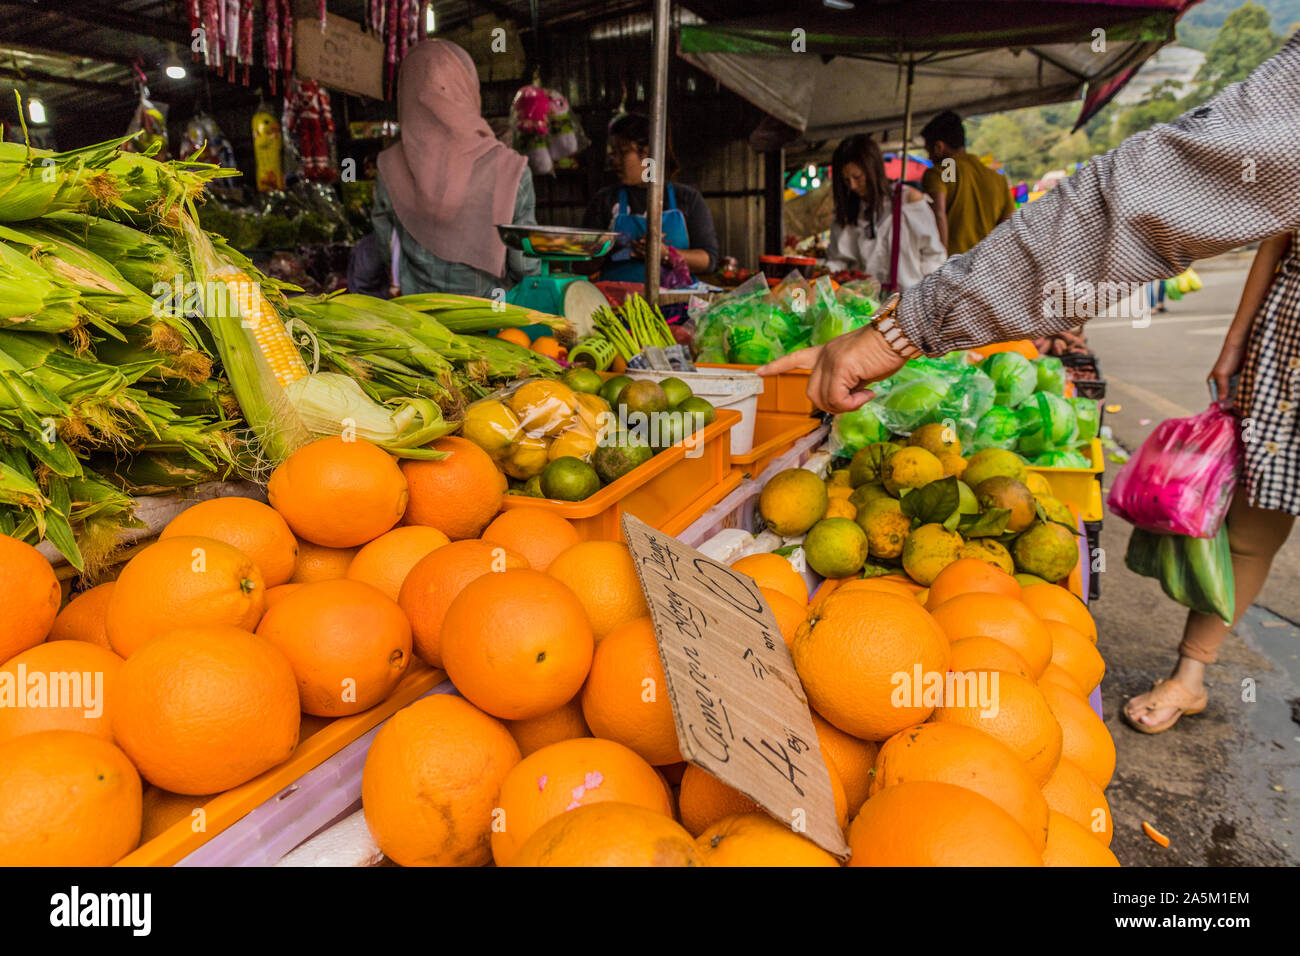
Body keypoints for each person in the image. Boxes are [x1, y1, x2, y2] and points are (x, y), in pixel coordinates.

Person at [759, 32, 1300, 415]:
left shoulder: (932, 185)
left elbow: (1137, 205)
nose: (851, 187)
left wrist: (902, 327)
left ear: (938, 147)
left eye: (855, 178)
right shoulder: (992, 182)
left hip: (961, 295)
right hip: (973, 294)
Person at [1124, 231, 1298, 732]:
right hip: (1288, 340)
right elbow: (1277, 238)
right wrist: (1236, 342)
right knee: (1251, 528)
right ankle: (1190, 674)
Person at [370, 39, 539, 298]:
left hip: (416, 323)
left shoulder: (388, 167)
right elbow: (524, 266)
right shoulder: (510, 169)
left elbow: (390, 256)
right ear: (468, 90)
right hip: (493, 324)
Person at [582, 112, 719, 283]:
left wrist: (664, 254)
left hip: (674, 304)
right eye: (613, 153)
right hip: (615, 304)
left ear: (648, 153)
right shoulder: (605, 201)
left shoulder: (687, 198)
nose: (614, 161)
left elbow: (708, 261)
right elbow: (581, 265)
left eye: (622, 152)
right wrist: (614, 247)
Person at [826, 135, 946, 291]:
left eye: (857, 177)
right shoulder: (849, 211)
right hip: (863, 305)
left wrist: (929, 294)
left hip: (910, 302)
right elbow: (838, 260)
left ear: (873, 171)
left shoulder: (908, 201)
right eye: (846, 181)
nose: (853, 186)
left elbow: (934, 256)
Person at [919, 110, 1017, 255]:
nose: (929, 158)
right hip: (985, 266)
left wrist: (940, 263)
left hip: (952, 267)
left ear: (938, 147)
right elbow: (1007, 226)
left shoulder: (942, 172)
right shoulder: (996, 178)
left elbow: (938, 215)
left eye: (929, 151)